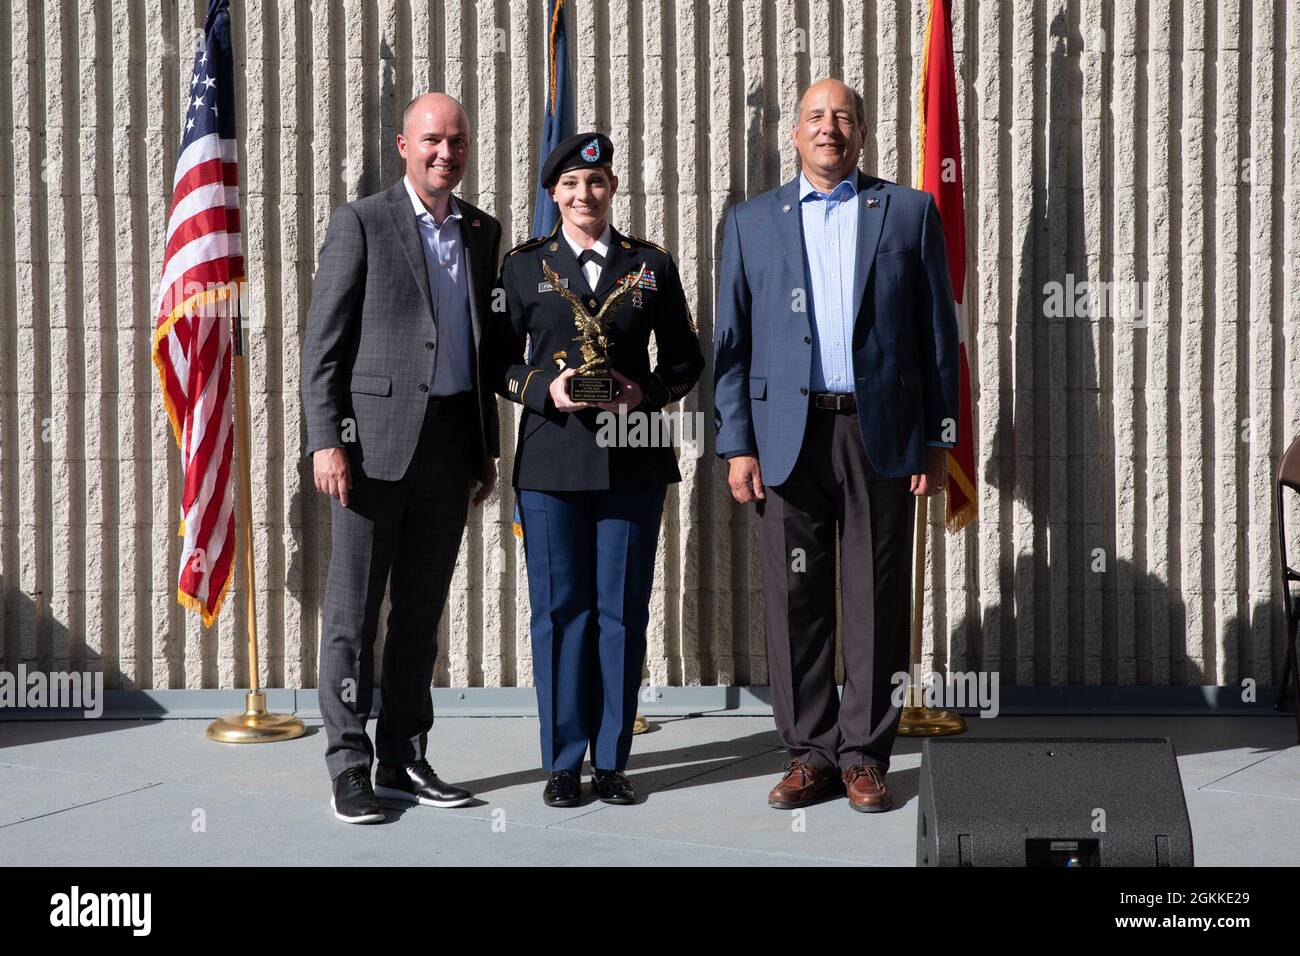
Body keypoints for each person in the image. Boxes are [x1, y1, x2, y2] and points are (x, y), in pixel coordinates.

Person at [713, 78, 959, 813]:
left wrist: (936, 439)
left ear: (861, 133)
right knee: (796, 600)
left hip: (880, 434)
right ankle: (810, 754)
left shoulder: (908, 212)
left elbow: (938, 339)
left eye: (844, 117)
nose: (830, 128)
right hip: (785, 437)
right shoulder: (750, 221)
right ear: (795, 134)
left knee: (876, 597)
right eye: (816, 117)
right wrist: (737, 443)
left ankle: (865, 757)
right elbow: (732, 345)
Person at [301, 92, 502, 824]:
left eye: (457, 141)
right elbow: (322, 344)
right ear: (403, 145)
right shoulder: (361, 222)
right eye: (432, 140)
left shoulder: (482, 230)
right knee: (353, 616)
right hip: (369, 449)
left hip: (450, 447)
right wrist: (326, 439)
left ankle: (403, 756)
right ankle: (348, 764)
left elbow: (481, 347)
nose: (446, 153)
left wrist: (485, 448)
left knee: (420, 613)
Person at [488, 132, 704, 807]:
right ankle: (561, 762)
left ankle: (610, 761)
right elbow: (495, 360)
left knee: (621, 613)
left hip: (633, 455)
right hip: (552, 462)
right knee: (560, 614)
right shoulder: (524, 267)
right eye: (572, 185)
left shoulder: (651, 265)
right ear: (553, 194)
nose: (586, 194)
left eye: (598, 181)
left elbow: (687, 358)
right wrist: (542, 389)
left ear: (612, 188)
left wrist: (646, 393)